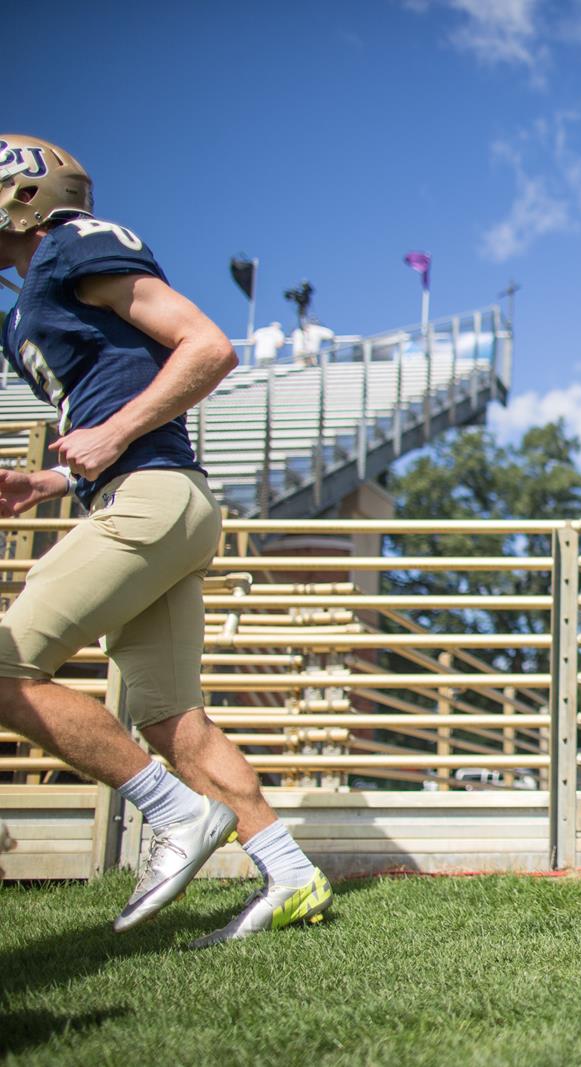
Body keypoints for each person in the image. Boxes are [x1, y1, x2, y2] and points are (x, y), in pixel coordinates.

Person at [0, 134, 332, 944]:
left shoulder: (70, 248)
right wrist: (47, 481)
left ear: (21, 196)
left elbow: (209, 346)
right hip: (150, 497)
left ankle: (177, 812)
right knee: (170, 716)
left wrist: (111, 435)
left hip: (150, 497)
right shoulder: (26, 310)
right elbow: (109, 392)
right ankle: (291, 872)